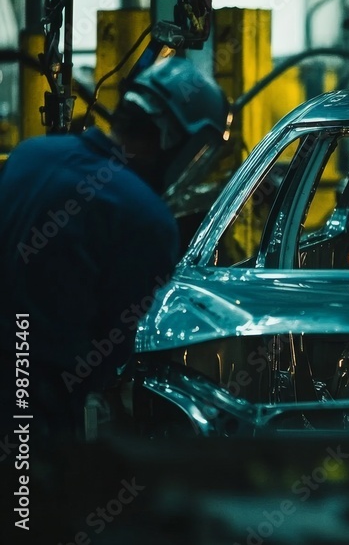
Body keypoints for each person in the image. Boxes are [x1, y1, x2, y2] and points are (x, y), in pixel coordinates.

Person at [0, 56, 229, 438]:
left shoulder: (29, 154)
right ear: (176, 141)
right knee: (27, 495)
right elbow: (111, 348)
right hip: (36, 403)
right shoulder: (145, 218)